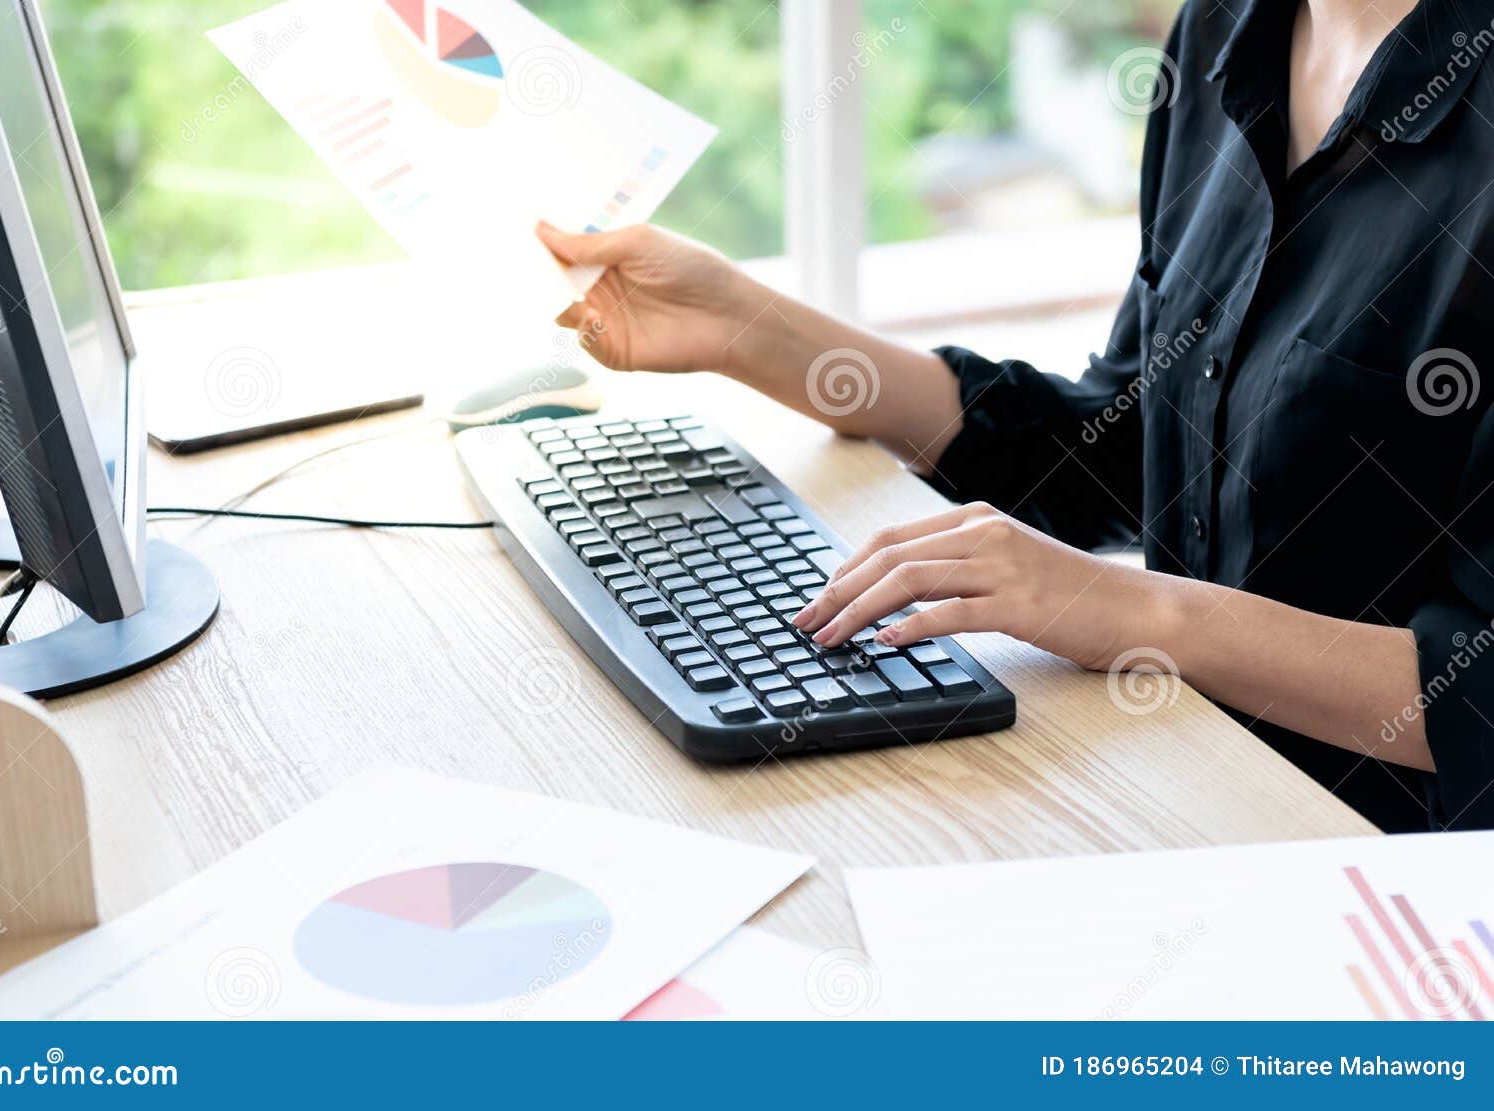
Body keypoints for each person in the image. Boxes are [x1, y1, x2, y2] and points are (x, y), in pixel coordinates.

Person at [537, 0, 1494, 834]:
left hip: (1388, 894)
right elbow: (1127, 445)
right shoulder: (1226, 33)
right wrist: (749, 331)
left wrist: (1133, 611)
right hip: (1181, 780)